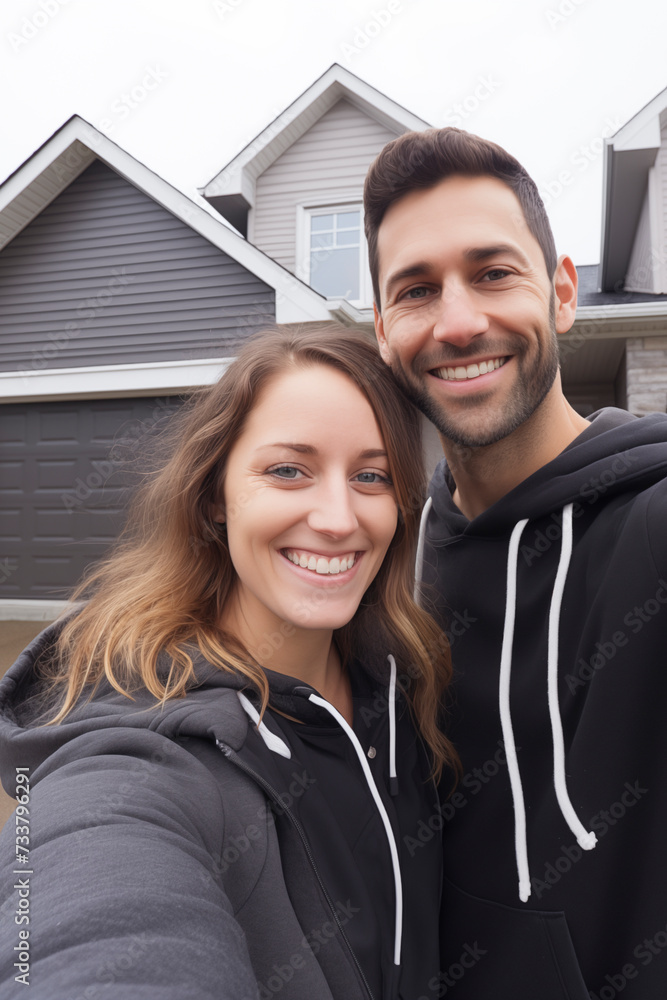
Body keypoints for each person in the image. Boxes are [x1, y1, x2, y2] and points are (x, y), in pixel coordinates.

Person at [0, 325, 457, 1000]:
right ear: (214, 494)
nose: (337, 518)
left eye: (371, 475)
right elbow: (92, 912)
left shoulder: (397, 682)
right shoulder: (138, 755)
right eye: (287, 470)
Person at [364, 128, 667, 998]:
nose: (459, 323)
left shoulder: (646, 522)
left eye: (493, 273)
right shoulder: (384, 555)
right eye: (417, 290)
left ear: (561, 292)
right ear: (385, 331)